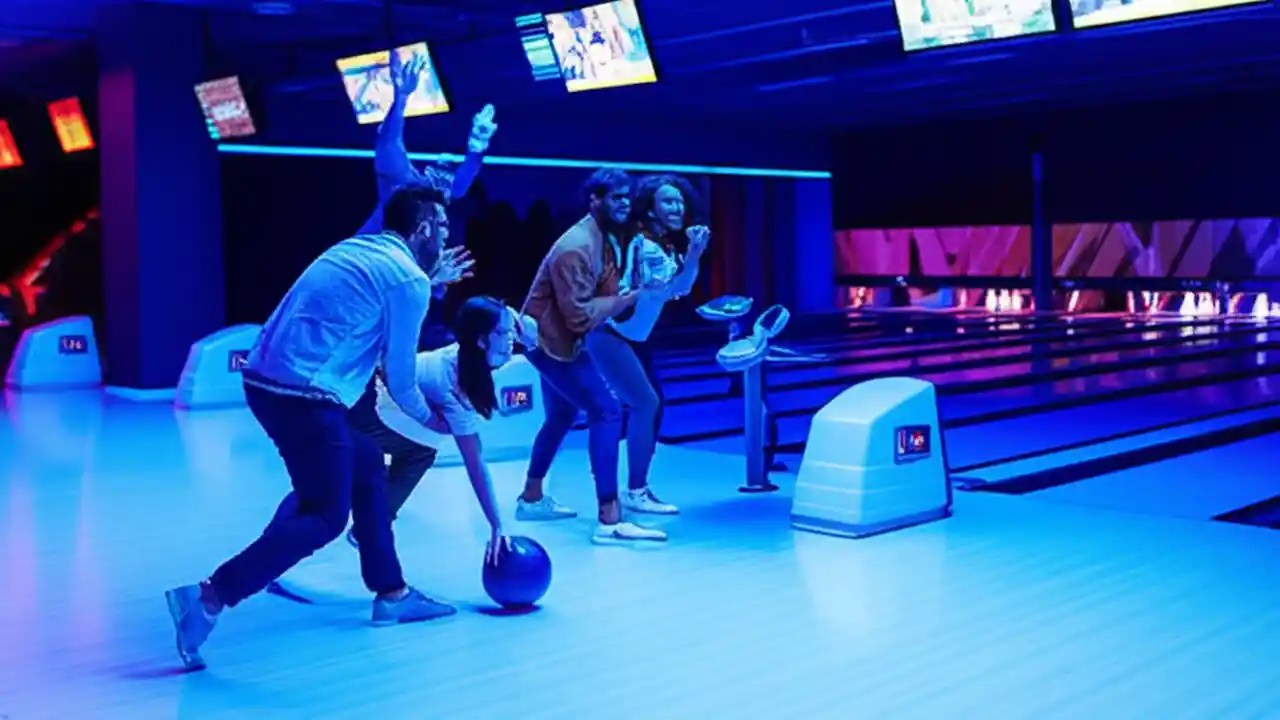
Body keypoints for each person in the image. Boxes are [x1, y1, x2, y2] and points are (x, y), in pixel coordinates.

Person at [163, 182, 466, 672]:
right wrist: (435, 421)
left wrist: (426, 282)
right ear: (425, 227)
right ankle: (209, 597)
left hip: (263, 382)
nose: (446, 238)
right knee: (325, 516)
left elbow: (379, 296)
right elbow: (401, 377)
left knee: (366, 466)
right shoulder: (407, 279)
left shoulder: (360, 247)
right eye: (443, 228)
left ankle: (391, 592)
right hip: (305, 396)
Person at [516, 168, 671, 545]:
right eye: (614, 197)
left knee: (562, 413)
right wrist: (627, 298)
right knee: (607, 411)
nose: (623, 204)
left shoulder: (603, 237)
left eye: (626, 198)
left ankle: (531, 498)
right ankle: (609, 520)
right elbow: (580, 315)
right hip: (552, 343)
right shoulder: (576, 246)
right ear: (594, 200)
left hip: (553, 339)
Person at [343, 297, 536, 568]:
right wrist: (496, 524)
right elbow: (475, 465)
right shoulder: (453, 389)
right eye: (503, 333)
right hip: (362, 402)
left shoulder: (479, 351)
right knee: (331, 493)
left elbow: (514, 320)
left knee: (419, 453)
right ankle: (367, 522)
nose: (510, 339)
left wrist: (525, 330)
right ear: (481, 340)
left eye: (510, 332)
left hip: (373, 394)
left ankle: (369, 521)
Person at [587, 174, 710, 516]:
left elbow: (678, 287)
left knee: (650, 406)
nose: (678, 207)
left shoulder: (660, 243)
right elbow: (673, 289)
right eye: (668, 201)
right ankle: (631, 491)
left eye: (680, 201)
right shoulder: (645, 243)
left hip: (628, 338)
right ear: (652, 208)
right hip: (610, 334)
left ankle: (634, 487)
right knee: (645, 404)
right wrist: (694, 254)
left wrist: (695, 253)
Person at [359, 50, 498, 350]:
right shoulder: (403, 184)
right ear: (428, 171)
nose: (447, 174)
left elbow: (460, 184)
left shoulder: (439, 199)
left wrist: (477, 147)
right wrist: (401, 97)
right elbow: (389, 140)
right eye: (442, 166)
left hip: (405, 296)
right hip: (366, 279)